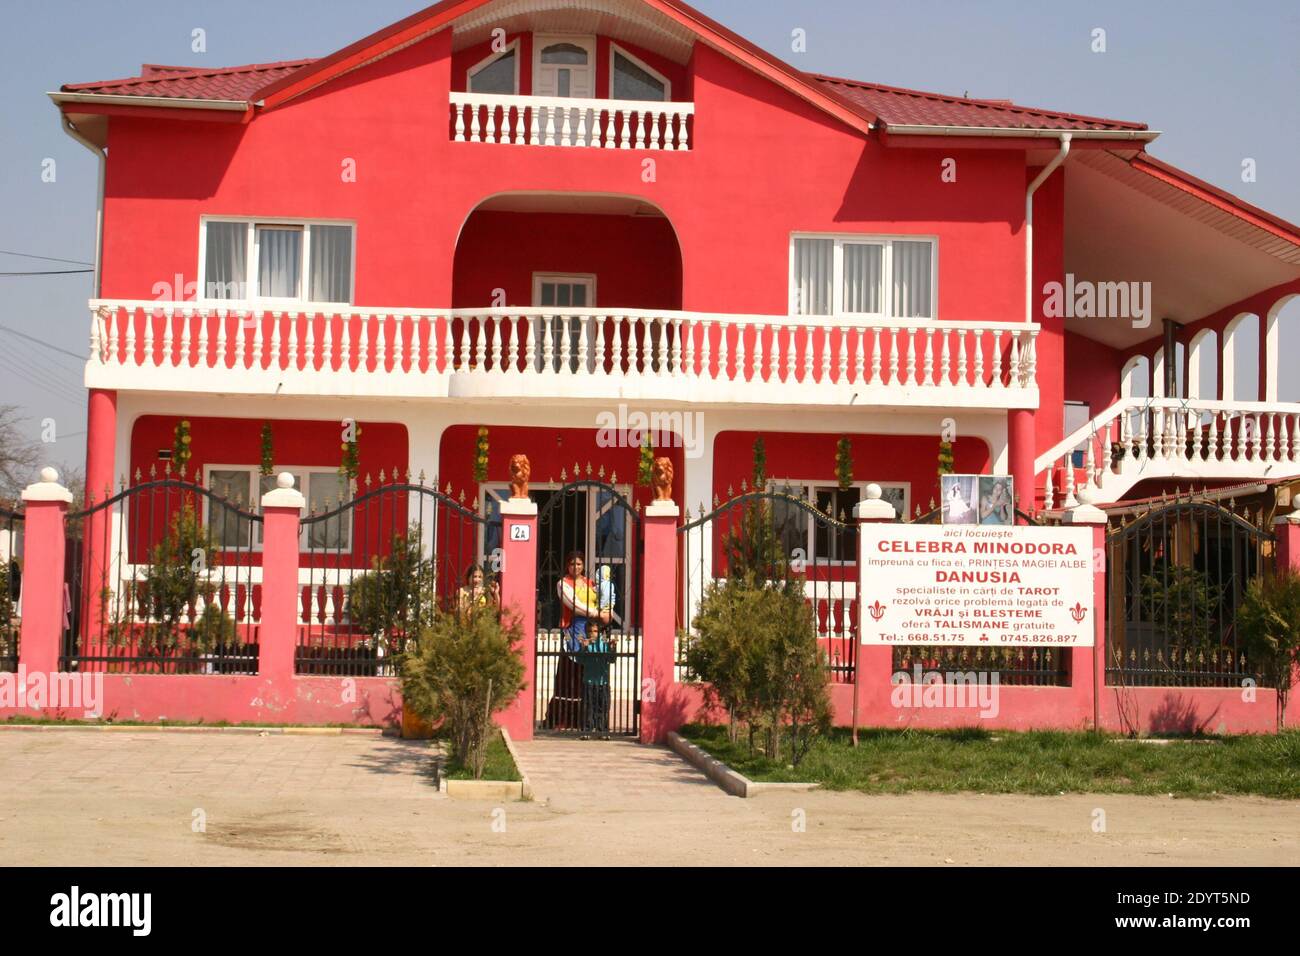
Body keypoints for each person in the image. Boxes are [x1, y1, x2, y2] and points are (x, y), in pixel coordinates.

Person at [578, 619, 616, 740]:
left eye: (595, 631)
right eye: (590, 631)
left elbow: (612, 660)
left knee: (603, 707)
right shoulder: (585, 643)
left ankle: (602, 731)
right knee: (588, 707)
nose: (592, 634)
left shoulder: (604, 644)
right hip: (589, 681)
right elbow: (580, 660)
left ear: (599, 632)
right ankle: (587, 730)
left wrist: (613, 649)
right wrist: (583, 648)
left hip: (603, 682)